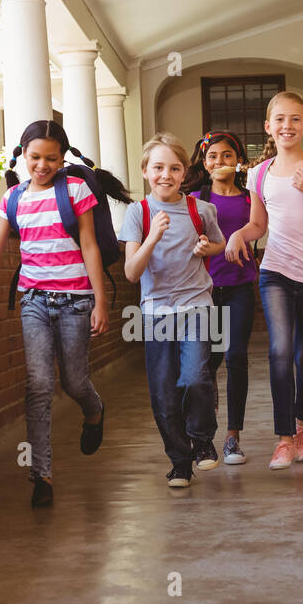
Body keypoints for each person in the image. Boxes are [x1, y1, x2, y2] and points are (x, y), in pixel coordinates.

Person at [0, 119, 131, 507]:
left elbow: (90, 247)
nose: (42, 165)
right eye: (35, 157)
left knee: (74, 383)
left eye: (51, 158)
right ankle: (41, 474)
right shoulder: (12, 199)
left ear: (63, 158)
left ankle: (94, 411)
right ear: (23, 155)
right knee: (38, 384)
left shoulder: (75, 189)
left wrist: (101, 301)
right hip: (34, 301)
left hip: (76, 300)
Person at [224, 91, 303, 470]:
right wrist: (238, 235)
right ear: (268, 126)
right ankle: (283, 439)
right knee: (279, 352)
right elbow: (258, 224)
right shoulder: (259, 173)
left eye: (295, 119)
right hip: (275, 271)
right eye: (280, 119)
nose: (287, 126)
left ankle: (302, 425)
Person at [120, 132, 226, 488]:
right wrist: (153, 236)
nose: (166, 174)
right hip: (155, 313)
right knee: (165, 393)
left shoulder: (202, 209)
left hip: (197, 305)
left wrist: (206, 247)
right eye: (158, 167)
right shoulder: (138, 213)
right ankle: (179, 461)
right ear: (146, 172)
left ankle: (201, 439)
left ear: (184, 173)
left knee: (195, 377)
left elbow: (220, 244)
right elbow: (132, 272)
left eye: (175, 168)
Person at [182, 130, 255, 465]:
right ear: (205, 162)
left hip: (240, 286)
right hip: (204, 290)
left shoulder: (250, 199)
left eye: (227, 155)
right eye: (213, 156)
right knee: (208, 363)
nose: (220, 161)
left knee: (236, 356)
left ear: (238, 160)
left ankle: (232, 438)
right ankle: (202, 437)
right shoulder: (195, 198)